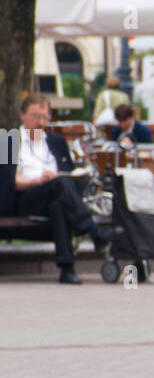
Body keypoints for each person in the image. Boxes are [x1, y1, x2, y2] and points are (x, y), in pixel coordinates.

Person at [8, 94, 114, 284]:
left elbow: (69, 174)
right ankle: (91, 230)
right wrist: (39, 180)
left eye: (45, 117)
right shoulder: (6, 141)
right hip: (24, 199)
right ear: (22, 115)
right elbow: (9, 182)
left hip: (56, 196)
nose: (40, 122)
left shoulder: (56, 141)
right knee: (59, 184)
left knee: (59, 203)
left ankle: (67, 269)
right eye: (35, 116)